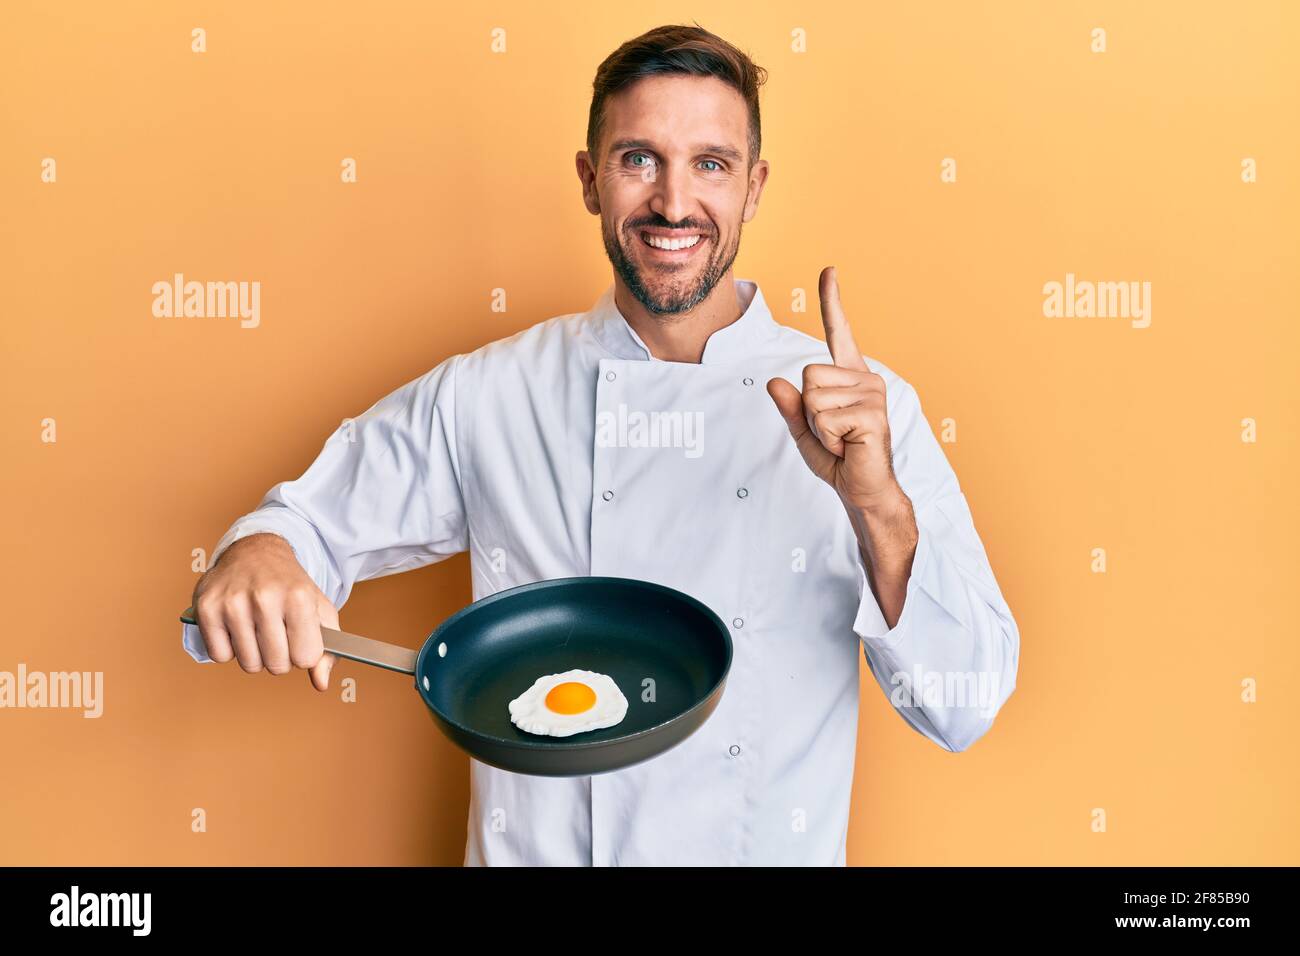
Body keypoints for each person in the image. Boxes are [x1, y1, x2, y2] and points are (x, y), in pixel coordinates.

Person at [181, 23, 1020, 866]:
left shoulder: (864, 411)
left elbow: (966, 704)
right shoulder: (492, 393)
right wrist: (265, 552)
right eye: (638, 159)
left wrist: (877, 509)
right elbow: (301, 529)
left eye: (711, 164)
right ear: (590, 179)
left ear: (754, 187)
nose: (673, 202)